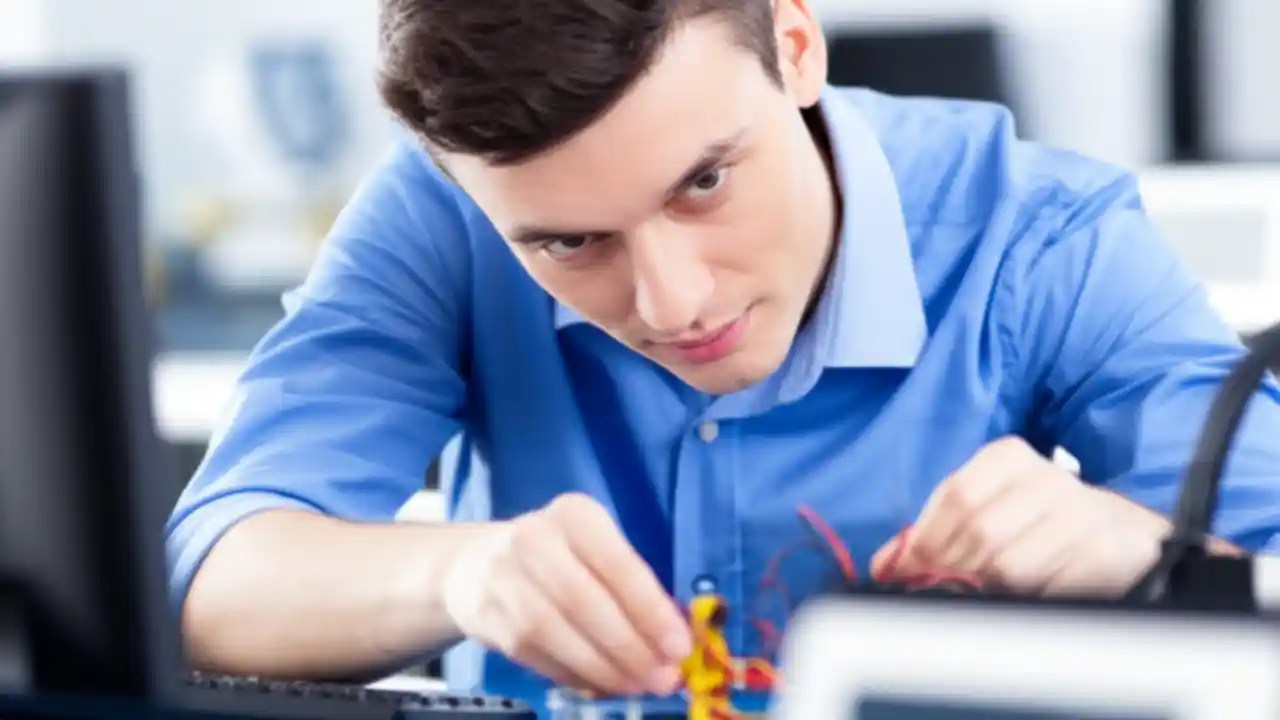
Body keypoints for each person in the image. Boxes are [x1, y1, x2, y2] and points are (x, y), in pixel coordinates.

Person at [167, 0, 1280, 706]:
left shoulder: (1040, 235)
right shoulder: (435, 217)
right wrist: (457, 570)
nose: (671, 301)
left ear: (794, 45)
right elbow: (212, 583)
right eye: (568, 241)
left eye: (703, 182)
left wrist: (1148, 561)